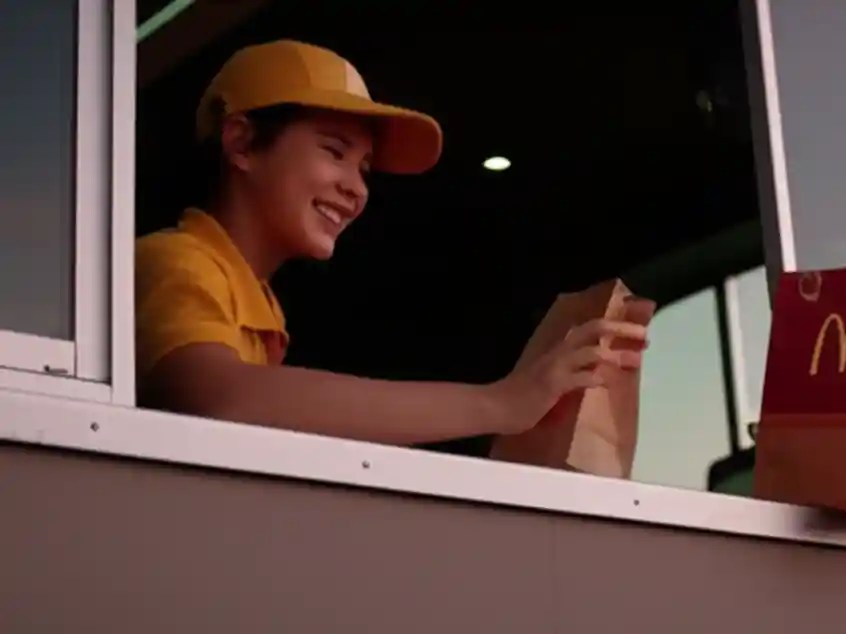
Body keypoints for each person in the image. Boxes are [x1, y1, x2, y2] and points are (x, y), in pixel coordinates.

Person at [135, 40, 650, 445]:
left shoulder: (256, 298)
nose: (356, 187)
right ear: (242, 143)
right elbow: (218, 396)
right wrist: (502, 404)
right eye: (334, 151)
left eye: (362, 168)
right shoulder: (175, 260)